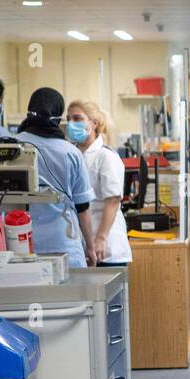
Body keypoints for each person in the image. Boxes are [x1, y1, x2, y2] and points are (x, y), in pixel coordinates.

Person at [15, 87, 96, 268]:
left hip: (21, 243)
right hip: (63, 243)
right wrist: (90, 247)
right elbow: (82, 206)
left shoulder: (13, 146)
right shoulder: (70, 152)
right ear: (58, 116)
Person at [66, 99, 131, 266]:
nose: (71, 123)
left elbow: (113, 200)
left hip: (106, 245)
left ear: (93, 123)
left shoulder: (106, 156)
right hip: (83, 244)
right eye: (69, 119)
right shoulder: (73, 155)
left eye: (77, 118)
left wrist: (101, 239)